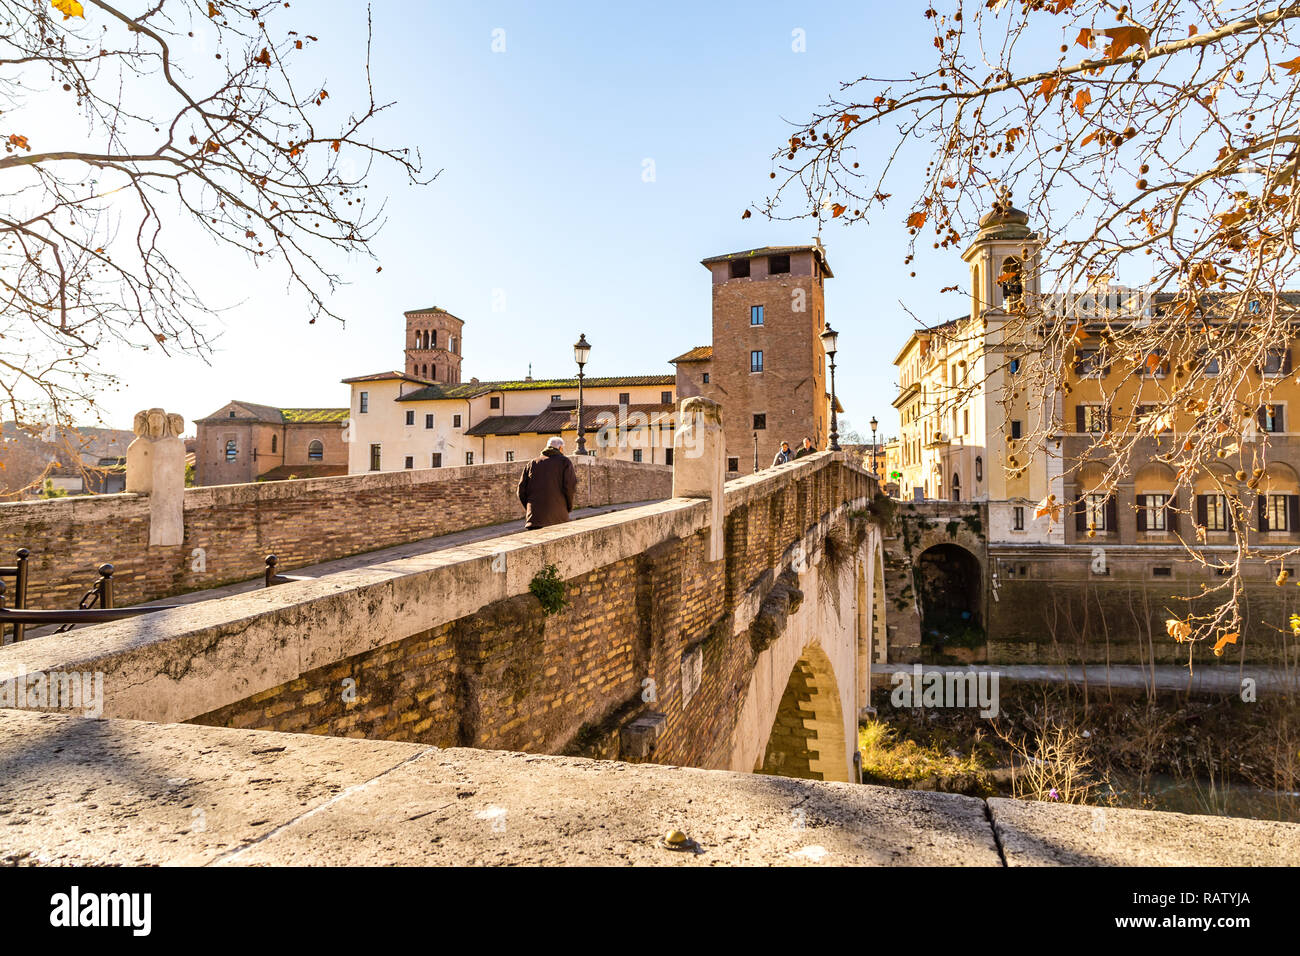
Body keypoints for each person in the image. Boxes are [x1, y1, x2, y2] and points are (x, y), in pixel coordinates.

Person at [517, 436, 578, 530]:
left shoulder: (532, 463)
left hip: (534, 519)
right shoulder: (564, 462)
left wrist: (531, 508)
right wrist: (568, 507)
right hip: (558, 518)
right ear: (560, 448)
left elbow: (521, 491)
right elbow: (570, 487)